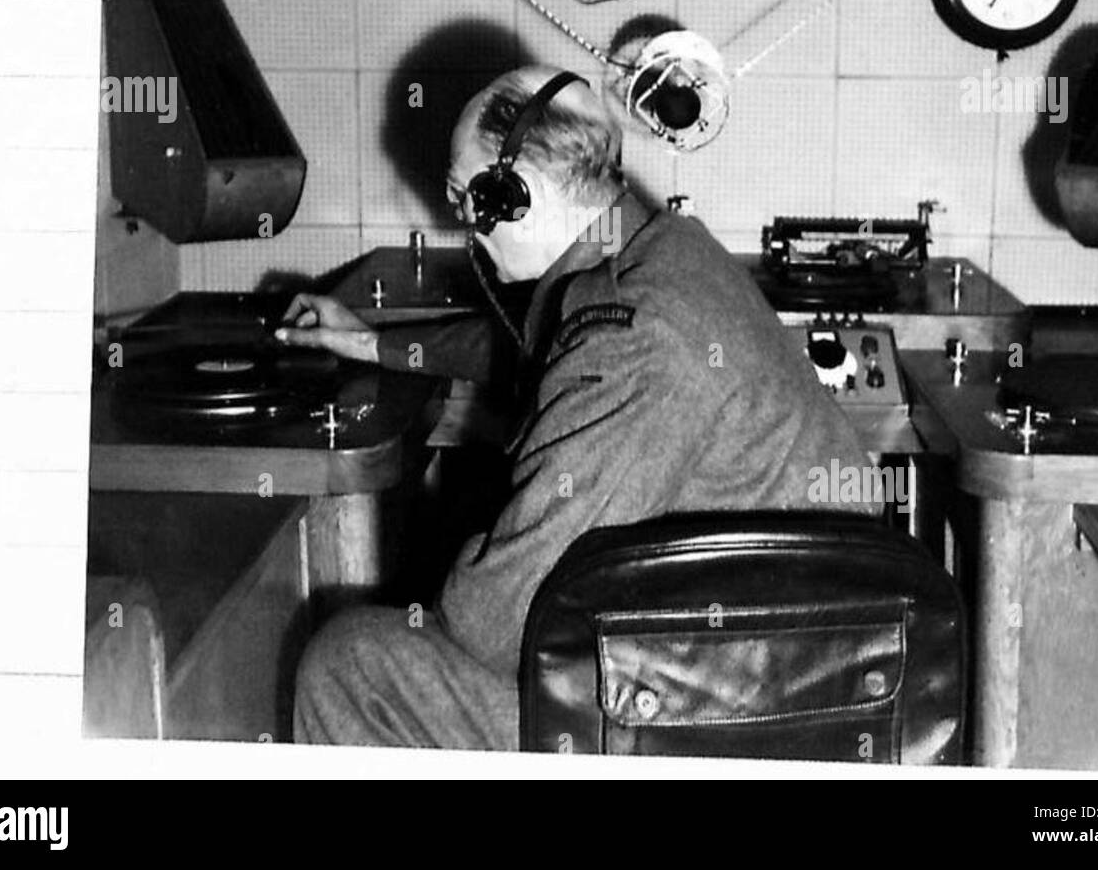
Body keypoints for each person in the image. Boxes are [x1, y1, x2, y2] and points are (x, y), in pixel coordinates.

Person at [277, 65, 877, 749]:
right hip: (774, 667)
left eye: (463, 197)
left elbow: (491, 627)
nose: (465, 225)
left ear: (514, 193)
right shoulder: (660, 247)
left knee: (351, 662)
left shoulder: (633, 342)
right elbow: (533, 344)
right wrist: (363, 338)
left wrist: (466, 547)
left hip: (737, 726)